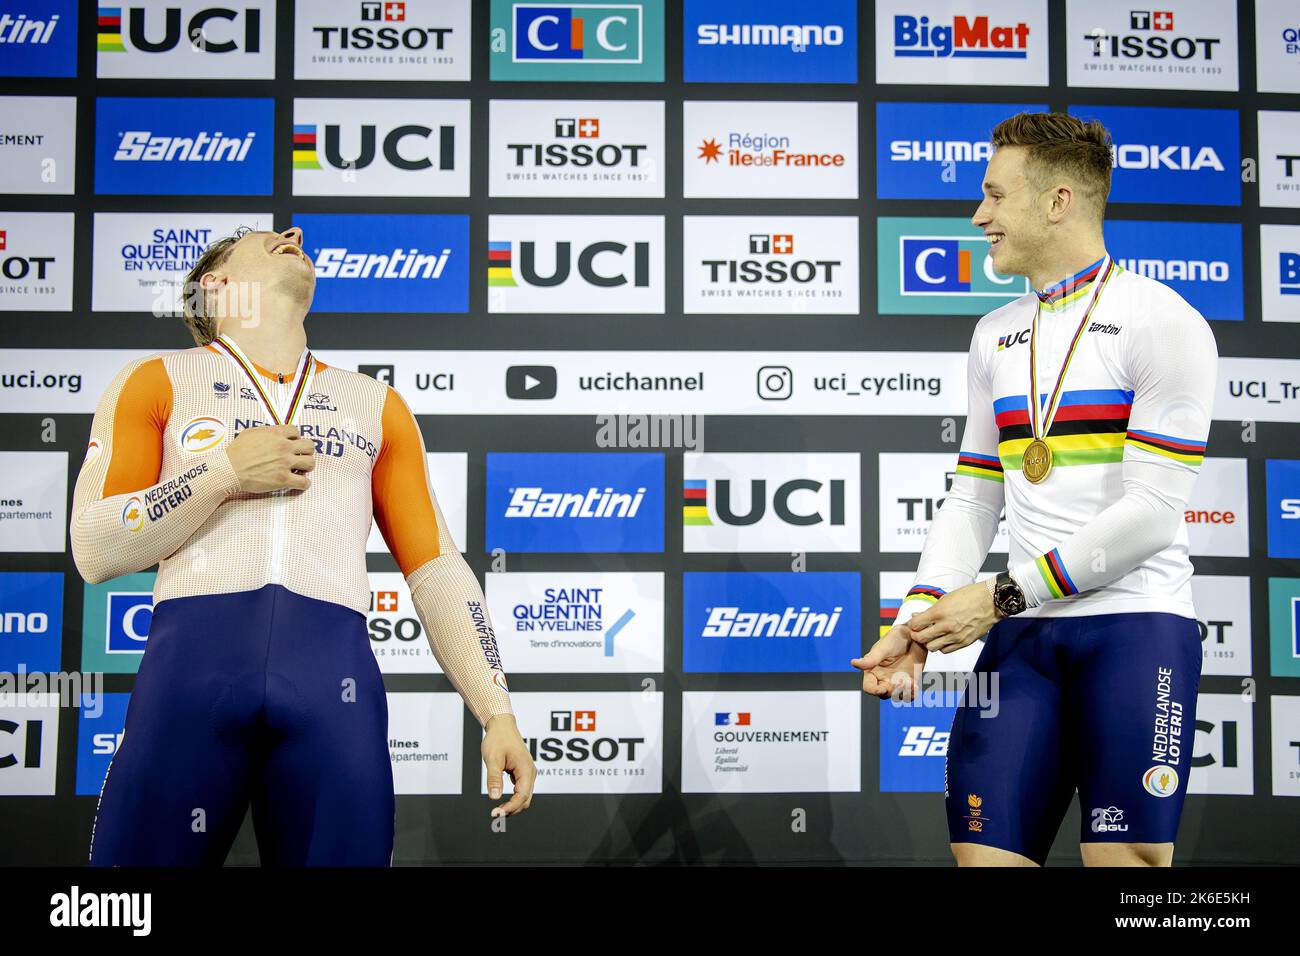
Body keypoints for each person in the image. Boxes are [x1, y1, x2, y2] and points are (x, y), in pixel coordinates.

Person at [71, 225, 536, 866]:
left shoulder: (375, 403)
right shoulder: (156, 380)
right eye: (262, 238)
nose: (291, 234)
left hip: (332, 686)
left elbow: (436, 570)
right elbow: (95, 548)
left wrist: (497, 712)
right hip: (190, 677)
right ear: (215, 285)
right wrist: (223, 473)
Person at [853, 113, 1217, 867]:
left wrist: (998, 597)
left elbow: (1151, 514)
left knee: (1128, 868)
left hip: (1134, 626)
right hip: (1023, 637)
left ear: (1058, 201)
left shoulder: (1163, 320)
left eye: (994, 195)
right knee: (984, 860)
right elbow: (974, 497)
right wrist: (917, 623)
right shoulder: (994, 332)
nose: (978, 216)